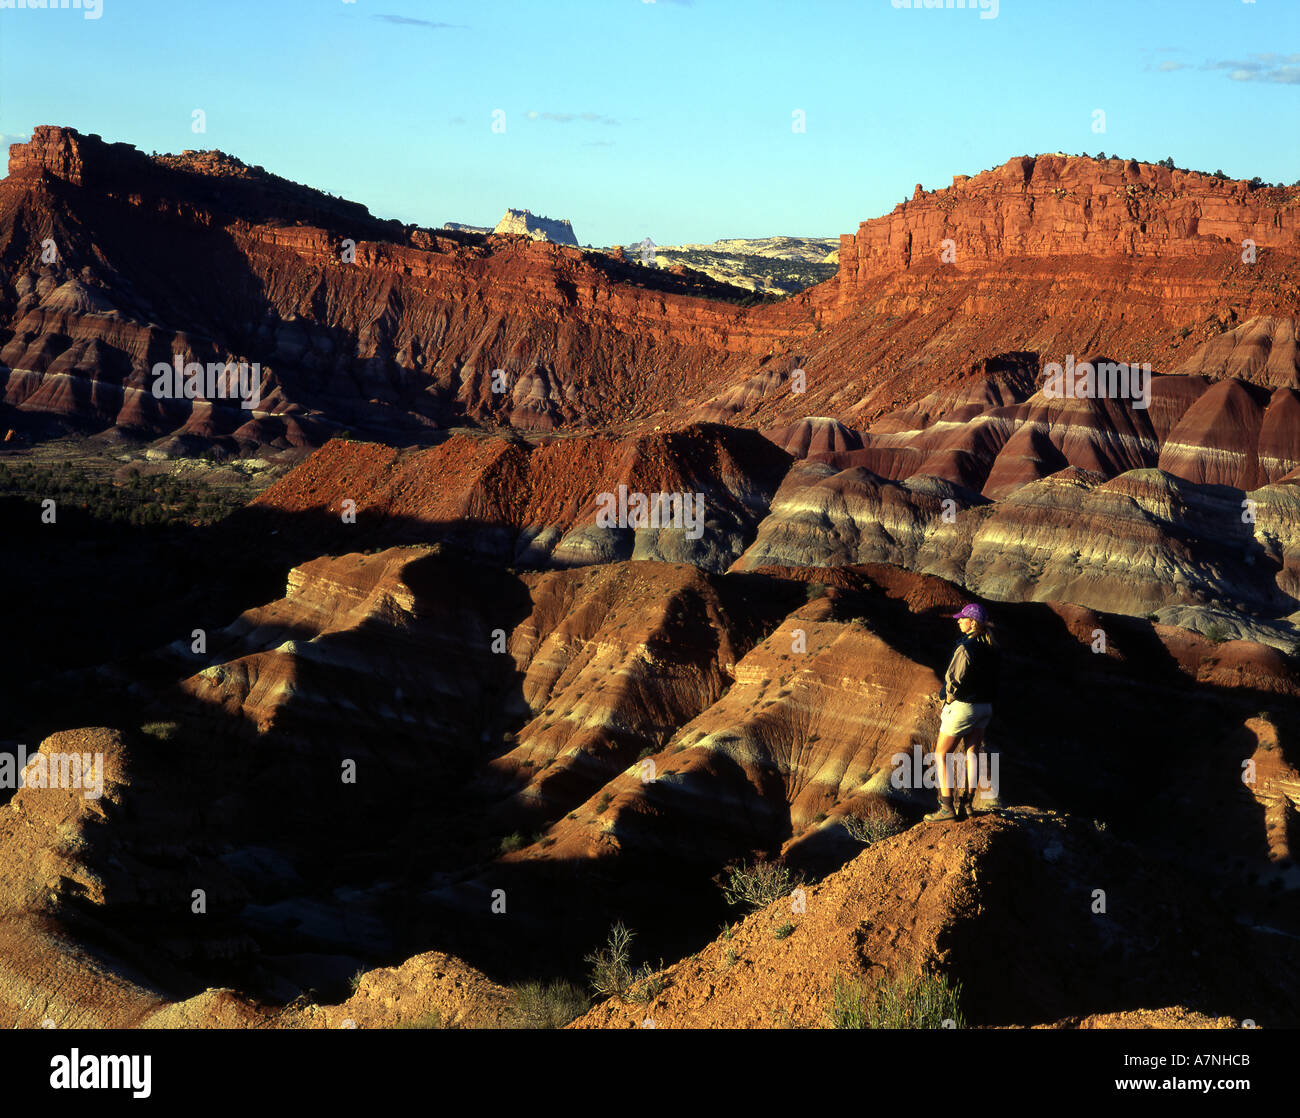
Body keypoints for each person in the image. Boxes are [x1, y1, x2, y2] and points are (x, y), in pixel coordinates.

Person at [924, 603, 999, 822]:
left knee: (940, 754)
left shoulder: (966, 647)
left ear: (972, 622)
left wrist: (948, 699)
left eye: (962, 618)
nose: (958, 621)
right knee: (972, 753)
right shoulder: (992, 646)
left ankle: (946, 807)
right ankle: (967, 805)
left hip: (964, 706)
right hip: (986, 707)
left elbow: (953, 680)